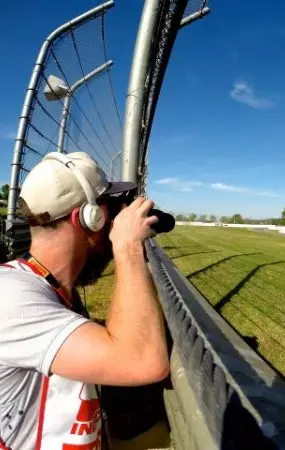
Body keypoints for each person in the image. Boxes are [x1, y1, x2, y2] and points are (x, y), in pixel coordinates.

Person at [0, 152, 169, 450]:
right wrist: (127, 246)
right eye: (111, 210)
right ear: (90, 218)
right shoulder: (12, 296)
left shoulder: (52, 289)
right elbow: (142, 362)